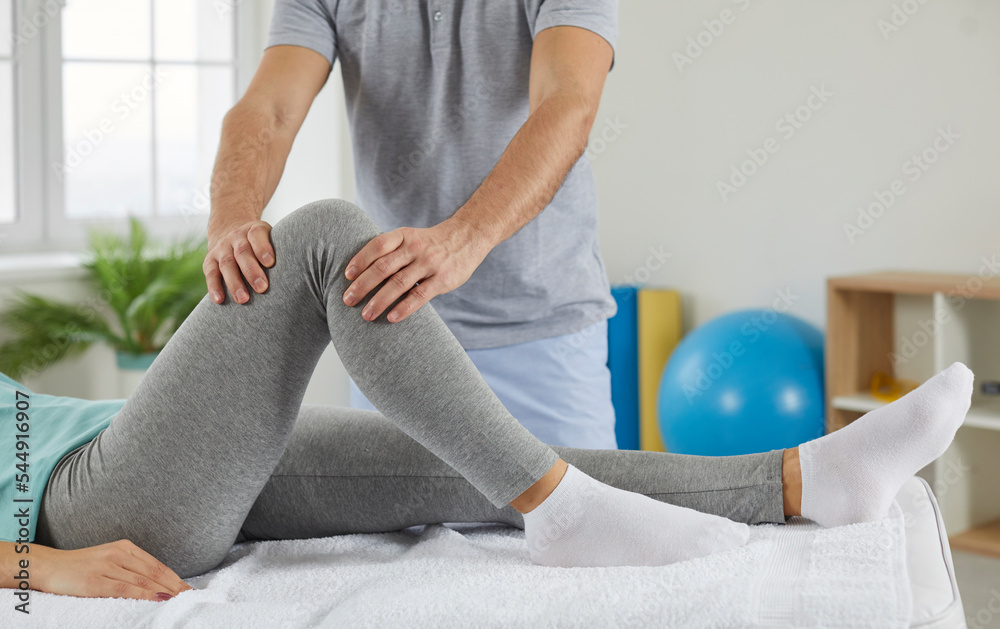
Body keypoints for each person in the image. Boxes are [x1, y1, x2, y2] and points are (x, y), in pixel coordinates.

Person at [2, 200, 973, 602]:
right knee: (325, 237)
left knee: (479, 455)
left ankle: (805, 477)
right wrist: (39, 566)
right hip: (79, 498)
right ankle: (559, 508)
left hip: (109, 452)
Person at [202, 0, 622, 448]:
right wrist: (231, 219)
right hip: (393, 332)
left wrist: (466, 237)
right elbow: (270, 109)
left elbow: (566, 102)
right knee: (384, 519)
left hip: (543, 335)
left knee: (582, 514)